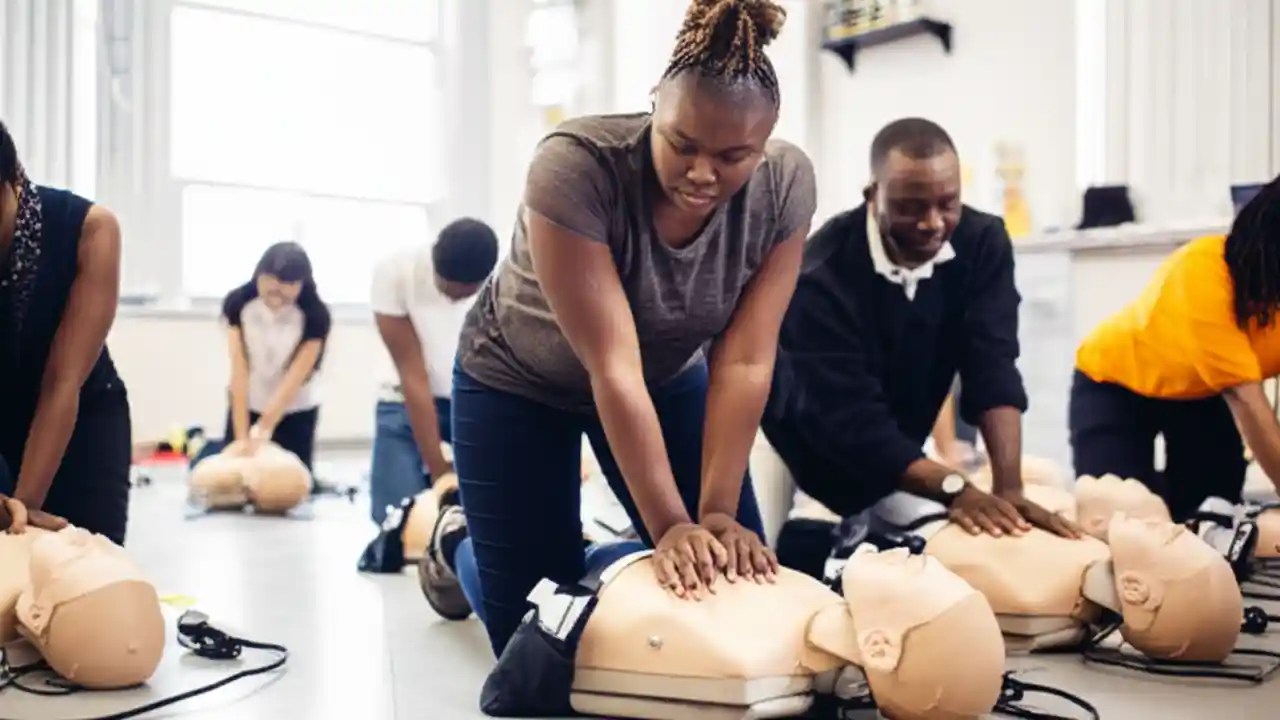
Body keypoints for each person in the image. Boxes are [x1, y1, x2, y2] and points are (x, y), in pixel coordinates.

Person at [422, 0, 816, 656]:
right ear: (655, 102)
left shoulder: (785, 187)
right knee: (537, 639)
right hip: (517, 380)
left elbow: (746, 359)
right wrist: (669, 526)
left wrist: (715, 512)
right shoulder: (575, 165)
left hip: (666, 379)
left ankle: (584, 553)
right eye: (682, 144)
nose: (702, 173)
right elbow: (612, 364)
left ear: (765, 140)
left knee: (730, 578)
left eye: (733, 156)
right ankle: (459, 537)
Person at [762, 117, 1079, 578]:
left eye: (947, 203)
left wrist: (1010, 489)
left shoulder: (981, 242)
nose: (932, 223)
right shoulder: (818, 275)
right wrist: (954, 488)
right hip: (812, 444)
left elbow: (992, 366)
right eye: (910, 207)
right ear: (873, 195)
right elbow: (853, 422)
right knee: (807, 548)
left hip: (900, 439)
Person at [1070, 174, 1280, 522]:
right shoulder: (1204, 270)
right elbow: (1246, 399)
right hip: (1116, 382)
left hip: (1200, 393)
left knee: (1214, 514)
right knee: (1118, 514)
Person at [0, 119, 130, 544]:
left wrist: (23, 511)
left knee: (83, 566)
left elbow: (62, 381)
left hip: (78, 418)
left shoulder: (91, 231)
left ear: (11, 179)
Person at [367, 218, 498, 525]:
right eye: (447, 289)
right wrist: (439, 472)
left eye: (465, 293)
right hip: (402, 401)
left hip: (472, 397)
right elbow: (413, 375)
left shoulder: (502, 284)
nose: (453, 298)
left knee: (490, 511)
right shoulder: (395, 273)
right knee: (397, 518)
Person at [219, 242, 331, 474]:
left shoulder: (315, 316)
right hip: (248, 404)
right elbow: (239, 372)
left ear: (302, 284)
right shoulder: (238, 305)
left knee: (290, 482)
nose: (277, 293)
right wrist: (242, 438)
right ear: (259, 275)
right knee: (236, 475)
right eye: (271, 284)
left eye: (288, 286)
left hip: (295, 411)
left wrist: (263, 428)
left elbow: (295, 377)